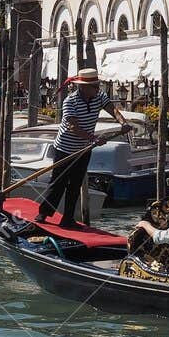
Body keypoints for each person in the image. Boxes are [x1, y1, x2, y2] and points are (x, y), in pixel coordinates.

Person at [37, 68, 136, 227]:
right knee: (58, 182)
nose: (98, 89)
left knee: (75, 184)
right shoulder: (70, 101)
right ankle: (43, 214)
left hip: (84, 149)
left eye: (98, 86)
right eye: (95, 86)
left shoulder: (99, 97)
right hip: (65, 148)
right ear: (82, 87)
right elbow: (73, 128)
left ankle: (67, 219)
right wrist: (94, 138)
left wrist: (122, 122)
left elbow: (113, 109)